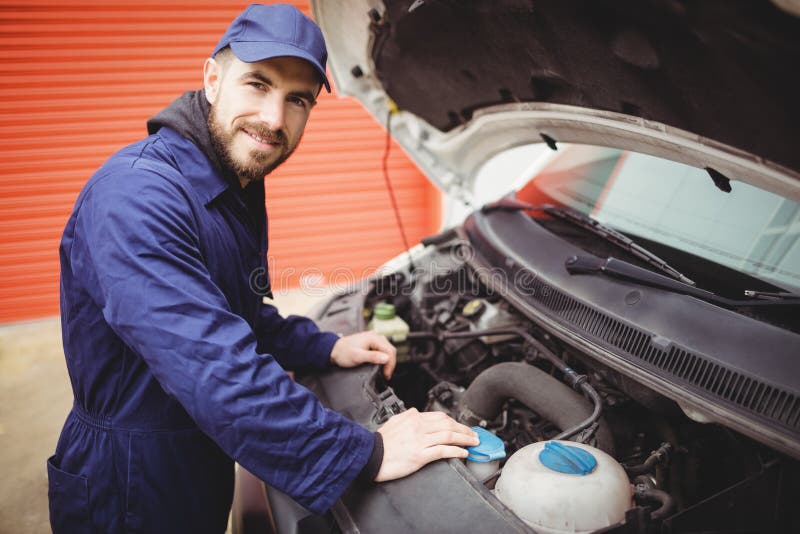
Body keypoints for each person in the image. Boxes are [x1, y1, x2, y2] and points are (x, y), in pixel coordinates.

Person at [48, 4, 478, 533]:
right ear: (211, 78)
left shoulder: (229, 186)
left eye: (296, 99)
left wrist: (323, 346)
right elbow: (214, 366)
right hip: (129, 484)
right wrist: (364, 453)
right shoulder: (137, 197)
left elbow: (236, 311)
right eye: (257, 83)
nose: (274, 119)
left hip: (193, 460)